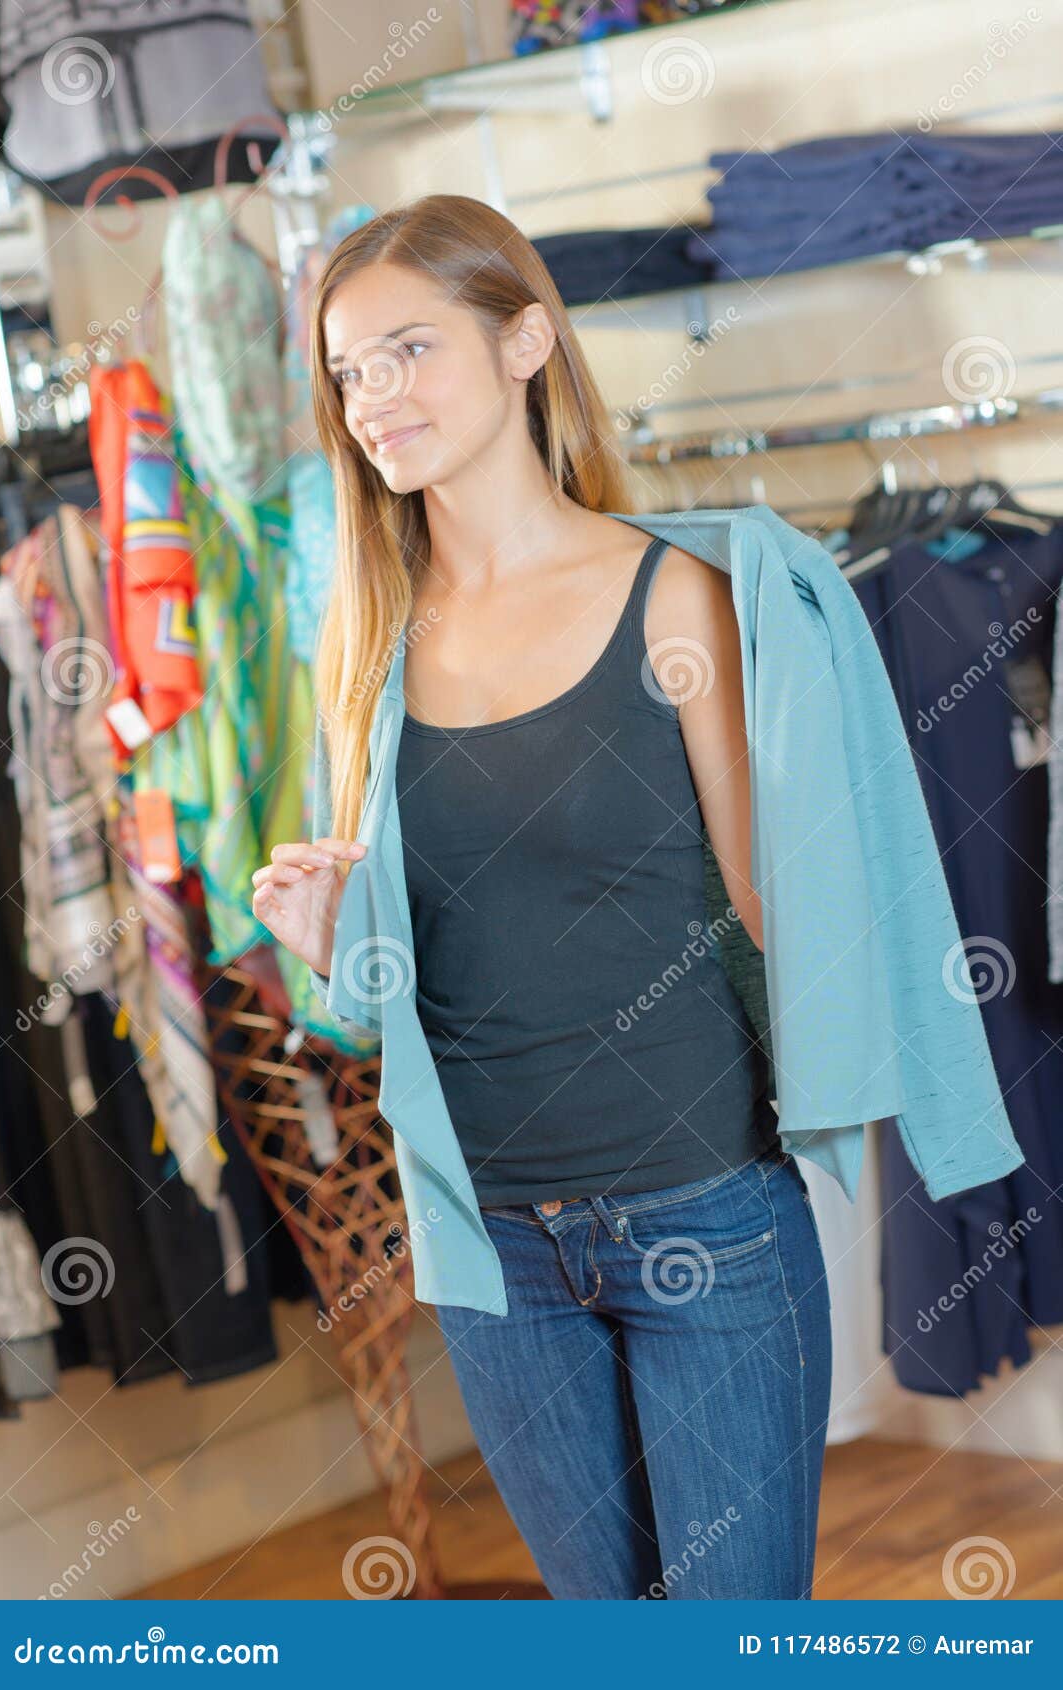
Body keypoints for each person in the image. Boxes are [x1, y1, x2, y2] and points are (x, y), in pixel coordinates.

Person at [252, 193, 831, 1600]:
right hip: (491, 1245)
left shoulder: (679, 597)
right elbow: (397, 999)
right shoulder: (371, 641)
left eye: (407, 350)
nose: (374, 398)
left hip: (708, 1215)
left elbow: (781, 917)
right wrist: (342, 947)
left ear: (525, 342)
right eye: (347, 371)